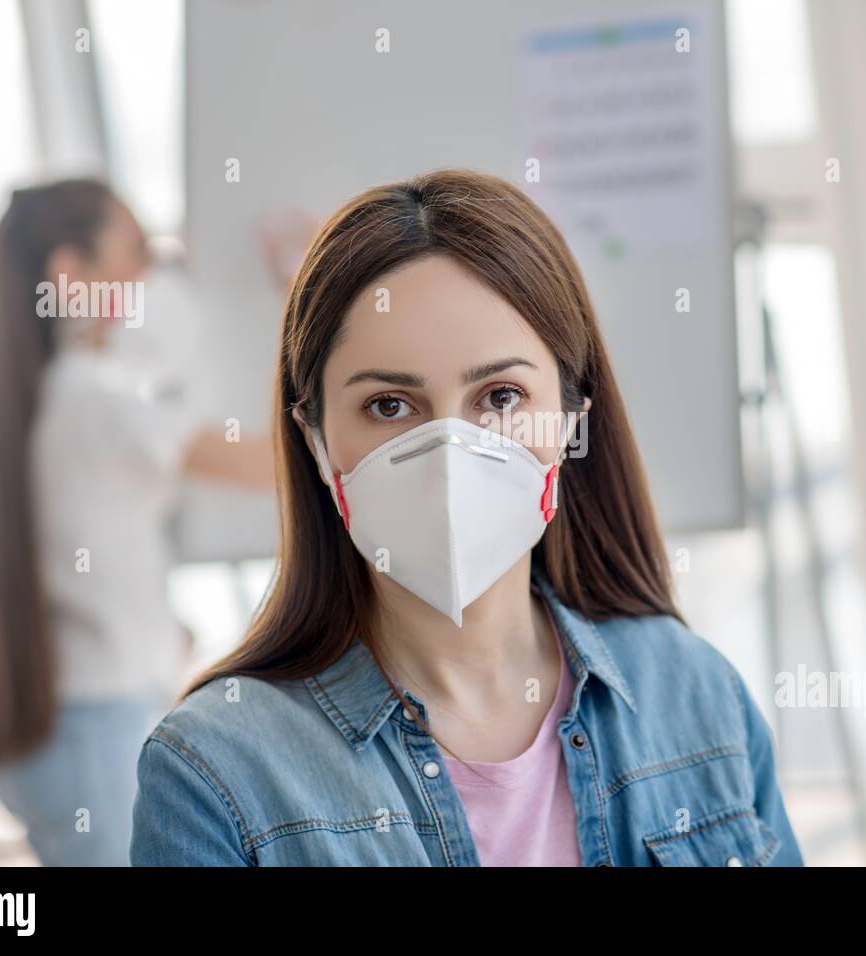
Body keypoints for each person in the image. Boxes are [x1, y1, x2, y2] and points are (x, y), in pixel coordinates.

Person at [130, 168, 803, 866]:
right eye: (389, 405)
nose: (452, 451)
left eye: (502, 396)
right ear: (316, 440)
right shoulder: (216, 773)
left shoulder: (697, 694)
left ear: (571, 418)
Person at [0, 179, 273, 866]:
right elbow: (268, 463)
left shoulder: (63, 395)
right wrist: (307, 291)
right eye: (135, 252)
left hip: (71, 732)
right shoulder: (93, 398)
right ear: (70, 275)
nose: (151, 274)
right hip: (91, 738)